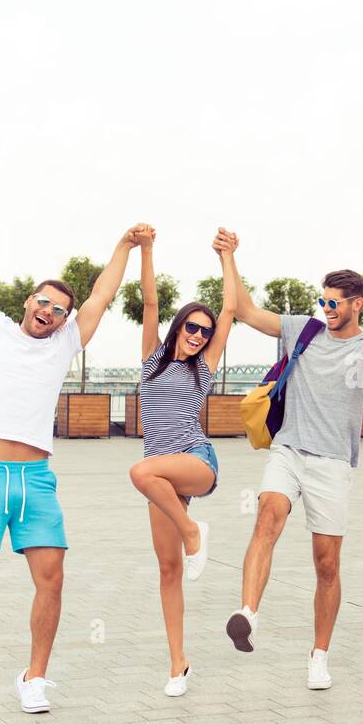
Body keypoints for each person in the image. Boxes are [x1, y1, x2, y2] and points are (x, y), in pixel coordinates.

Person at [0, 187, 147, 718]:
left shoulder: (65, 343)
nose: (51, 311)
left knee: (52, 576)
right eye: (43, 301)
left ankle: (34, 677)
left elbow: (102, 297)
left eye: (60, 309)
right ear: (27, 303)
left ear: (65, 321)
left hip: (36, 479)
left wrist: (124, 247)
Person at [218, 229, 363, 690]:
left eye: (335, 303)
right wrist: (229, 258)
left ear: (356, 304)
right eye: (323, 301)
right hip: (289, 449)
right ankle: (248, 613)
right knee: (268, 514)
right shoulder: (305, 329)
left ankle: (319, 655)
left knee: (326, 563)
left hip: (333, 463)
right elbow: (247, 312)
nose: (327, 309)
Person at [126, 230, 236, 697]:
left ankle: (195, 532)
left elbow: (230, 309)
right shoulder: (153, 361)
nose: (198, 336)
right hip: (162, 480)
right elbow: (150, 302)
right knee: (169, 571)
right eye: (191, 328)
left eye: (205, 332)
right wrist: (147, 250)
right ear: (177, 329)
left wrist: (228, 258)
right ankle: (179, 666)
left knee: (139, 471)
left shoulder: (204, 367)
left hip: (194, 459)